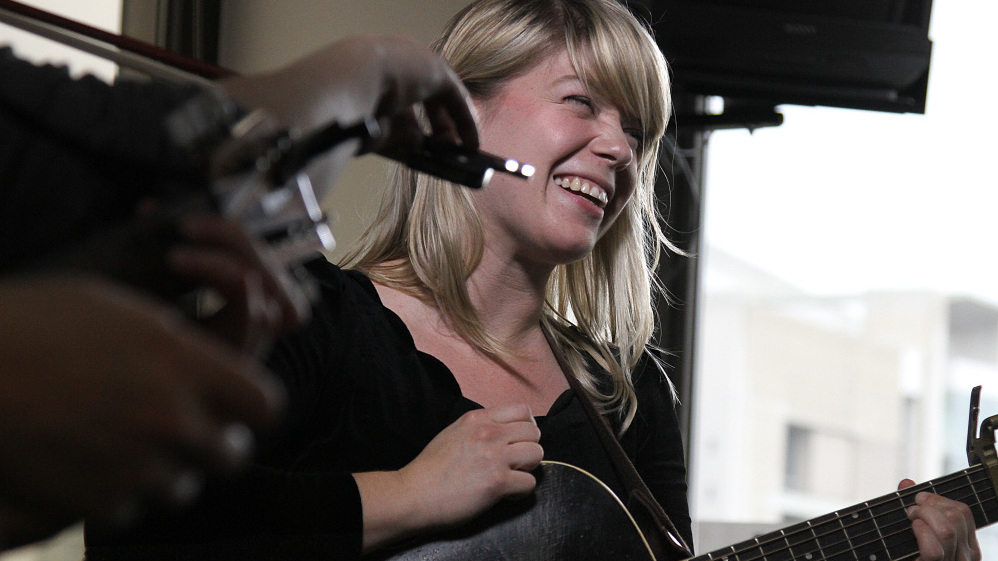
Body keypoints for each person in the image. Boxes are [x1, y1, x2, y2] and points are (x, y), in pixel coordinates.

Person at [83, 1, 982, 560]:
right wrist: (407, 493)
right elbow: (139, 531)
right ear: (458, 115)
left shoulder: (630, 400)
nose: (620, 148)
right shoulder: (311, 314)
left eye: (636, 129)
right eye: (581, 102)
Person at [0, 31, 478, 550]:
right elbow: (194, 160)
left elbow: (182, 151)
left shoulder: (579, 373)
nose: (586, 137)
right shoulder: (336, 319)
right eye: (574, 99)